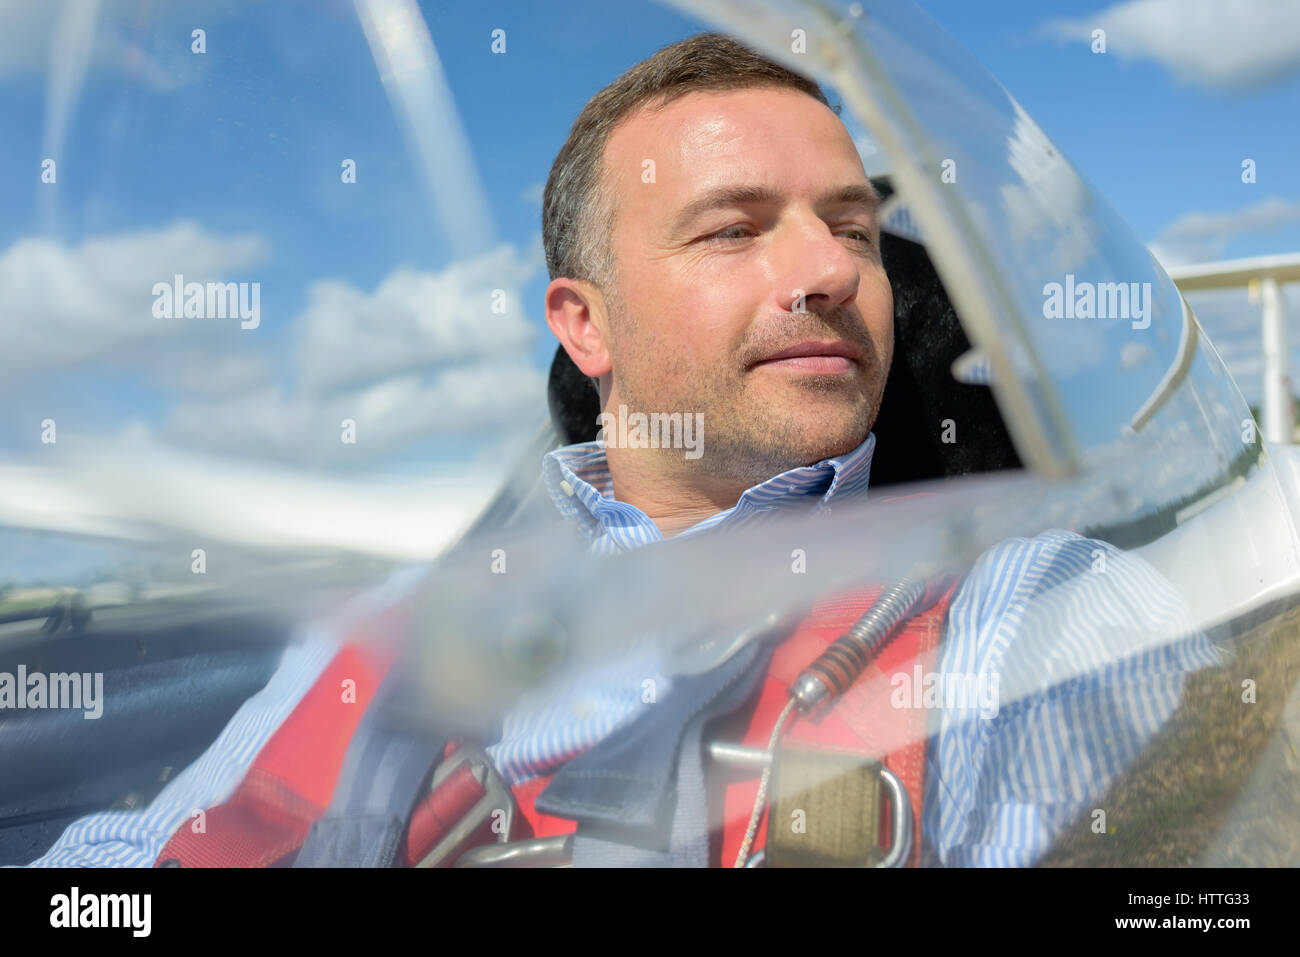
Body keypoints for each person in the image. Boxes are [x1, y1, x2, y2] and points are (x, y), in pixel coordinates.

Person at [29, 32, 1218, 868]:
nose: (829, 272)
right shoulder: (388, 636)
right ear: (582, 325)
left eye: (850, 228)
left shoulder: (1031, 612)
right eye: (733, 229)